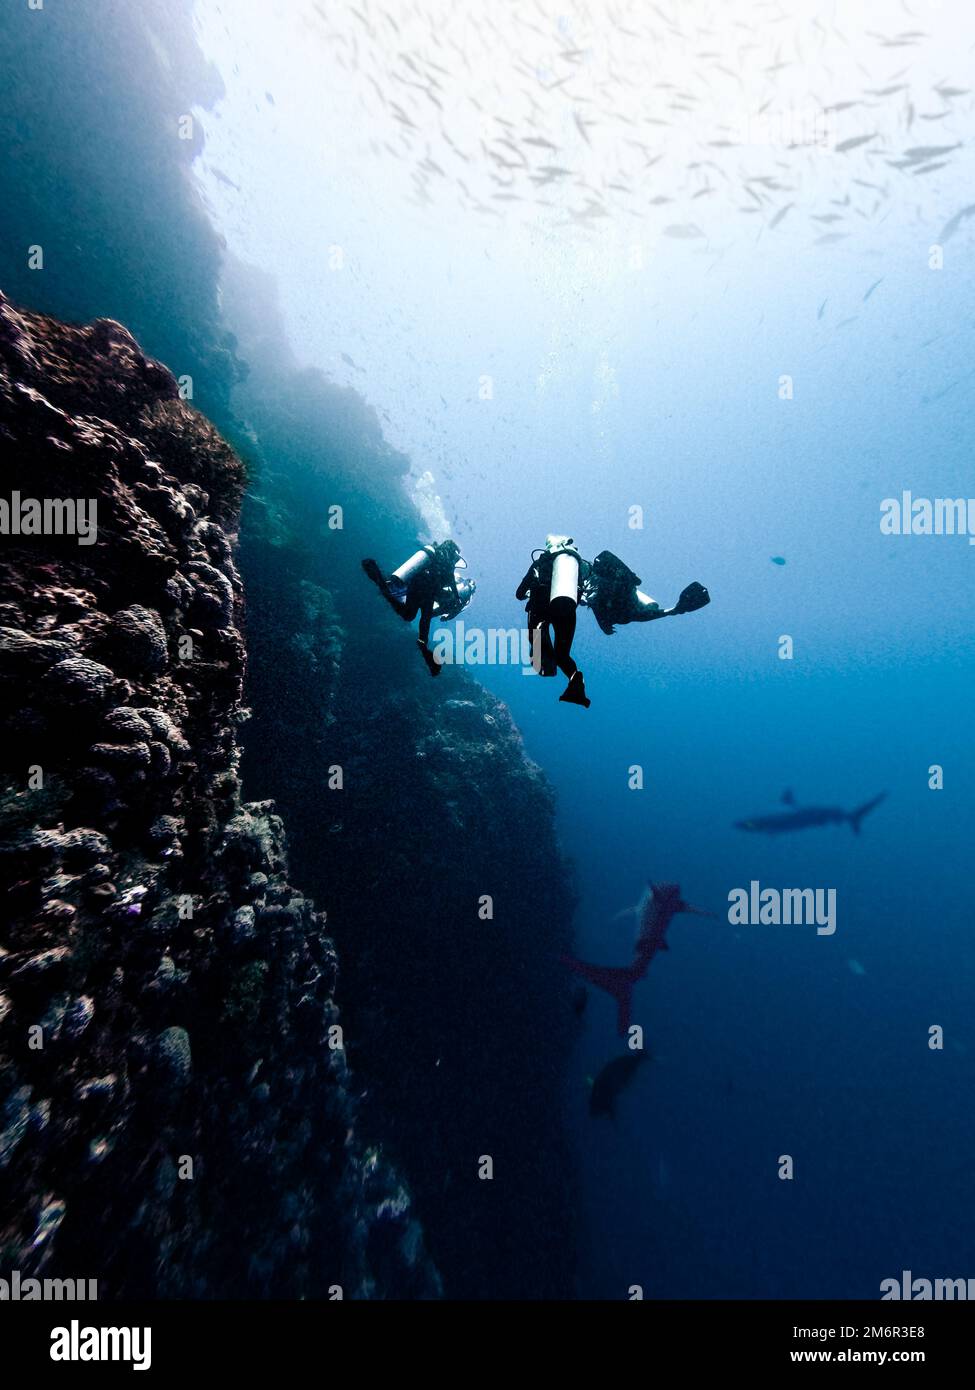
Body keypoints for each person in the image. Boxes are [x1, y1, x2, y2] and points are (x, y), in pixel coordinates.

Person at [362, 539, 475, 676]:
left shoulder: (436, 555)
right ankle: (422, 643)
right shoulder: (448, 562)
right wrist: (456, 597)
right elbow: (450, 579)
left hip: (418, 584)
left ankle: (382, 584)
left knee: (409, 615)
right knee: (421, 619)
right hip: (429, 592)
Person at [516, 535, 591, 707]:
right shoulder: (576, 565)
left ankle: (541, 628)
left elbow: (519, 594)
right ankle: (576, 680)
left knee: (534, 635)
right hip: (566, 608)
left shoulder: (540, 563)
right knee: (563, 655)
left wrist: (530, 590)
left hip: (540, 607)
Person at [583, 551, 710, 635]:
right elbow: (595, 606)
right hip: (621, 607)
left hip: (622, 603)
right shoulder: (620, 611)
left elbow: (594, 604)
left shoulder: (594, 581)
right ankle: (627, 579)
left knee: (601, 561)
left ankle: (627, 578)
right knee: (647, 610)